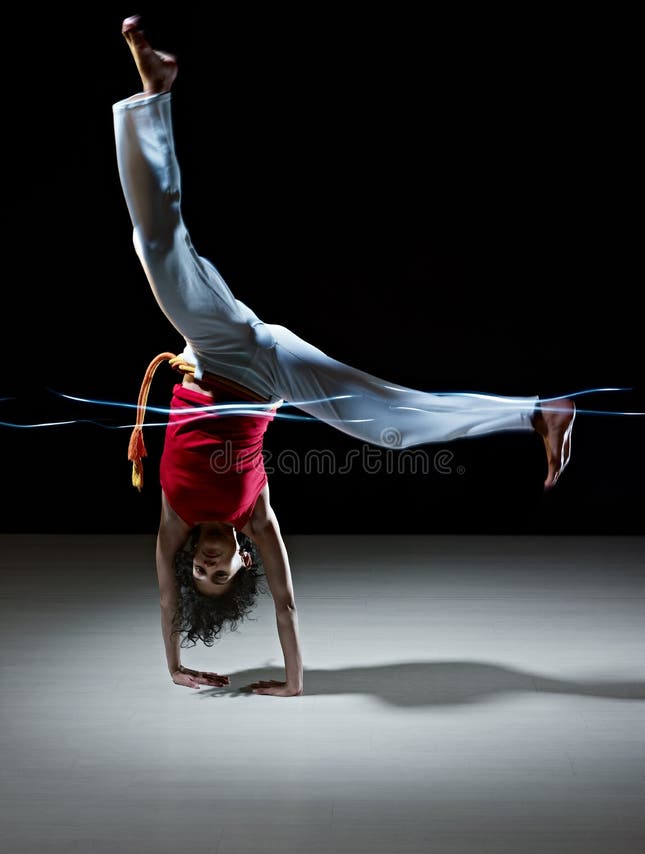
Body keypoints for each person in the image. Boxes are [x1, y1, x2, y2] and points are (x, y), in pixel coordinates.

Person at [114, 16, 575, 699]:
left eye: (201, 573)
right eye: (224, 573)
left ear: (192, 565)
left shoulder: (173, 520)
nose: (211, 567)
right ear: (242, 561)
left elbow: (163, 604)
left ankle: (154, 92)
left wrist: (176, 666)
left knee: (155, 250)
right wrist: (294, 684)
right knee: (386, 423)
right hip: (272, 371)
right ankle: (536, 413)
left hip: (213, 347)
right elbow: (287, 605)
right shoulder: (254, 517)